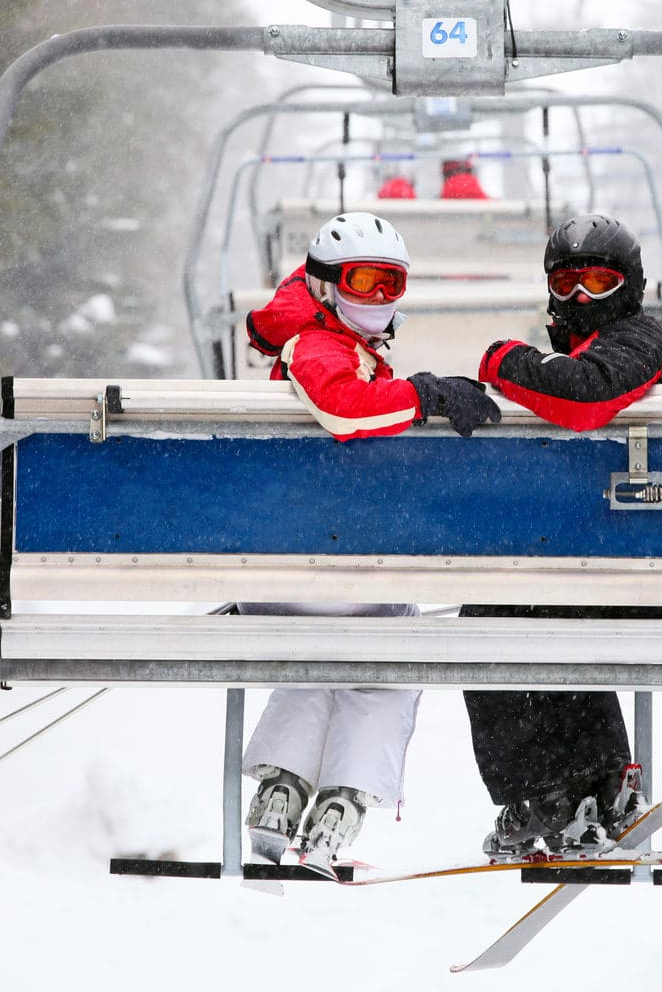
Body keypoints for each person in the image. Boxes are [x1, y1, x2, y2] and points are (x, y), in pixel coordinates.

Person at [240, 211, 500, 872]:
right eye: (362, 281)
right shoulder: (315, 343)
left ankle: (283, 789)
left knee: (317, 663)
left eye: (392, 283)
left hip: (290, 565)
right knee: (388, 655)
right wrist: (423, 394)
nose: (378, 297)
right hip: (317, 565)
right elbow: (341, 408)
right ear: (325, 284)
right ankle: (344, 799)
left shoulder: (317, 334)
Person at [462, 213, 662, 856]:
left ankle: (546, 796)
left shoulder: (638, 339)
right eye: (566, 284)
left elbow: (583, 400)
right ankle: (589, 788)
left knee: (494, 621)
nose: (582, 297)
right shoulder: (611, 346)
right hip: (625, 562)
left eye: (598, 281)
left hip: (645, 569)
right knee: (534, 608)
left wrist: (503, 360)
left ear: (630, 285)